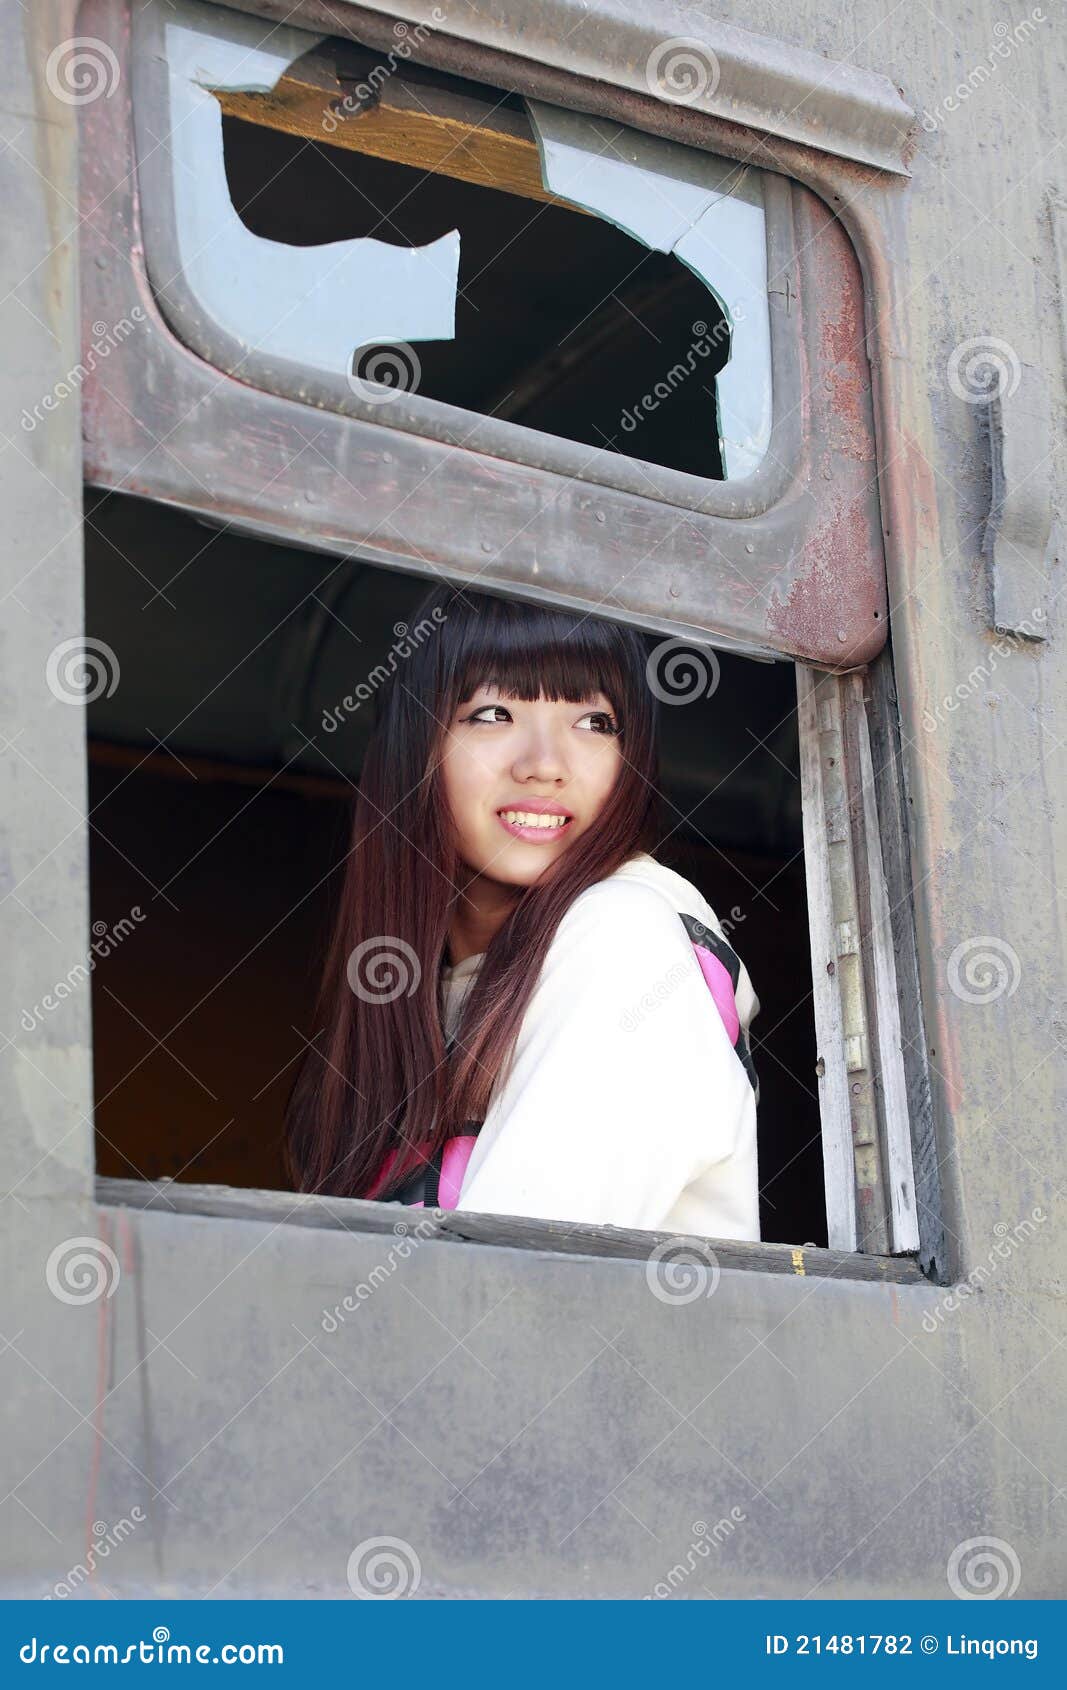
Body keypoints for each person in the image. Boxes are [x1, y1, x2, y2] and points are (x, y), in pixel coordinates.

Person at [285, 583, 760, 1241]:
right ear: (412, 751)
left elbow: (502, 1306)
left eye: (594, 722)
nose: (544, 766)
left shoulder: (626, 939)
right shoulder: (439, 990)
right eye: (492, 714)